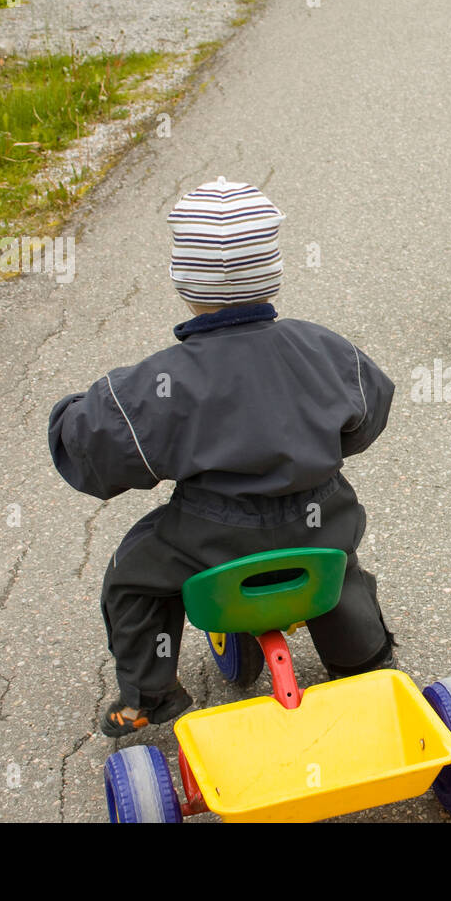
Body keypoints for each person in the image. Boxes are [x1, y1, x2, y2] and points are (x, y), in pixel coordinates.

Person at [47, 176, 395, 737]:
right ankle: (364, 661)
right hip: (319, 522)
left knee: (132, 578)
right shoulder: (324, 349)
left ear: (183, 279)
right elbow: (368, 414)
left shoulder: (157, 384)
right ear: (273, 271)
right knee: (339, 567)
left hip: (210, 541)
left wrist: (72, 413)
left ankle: (148, 695)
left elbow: (92, 451)